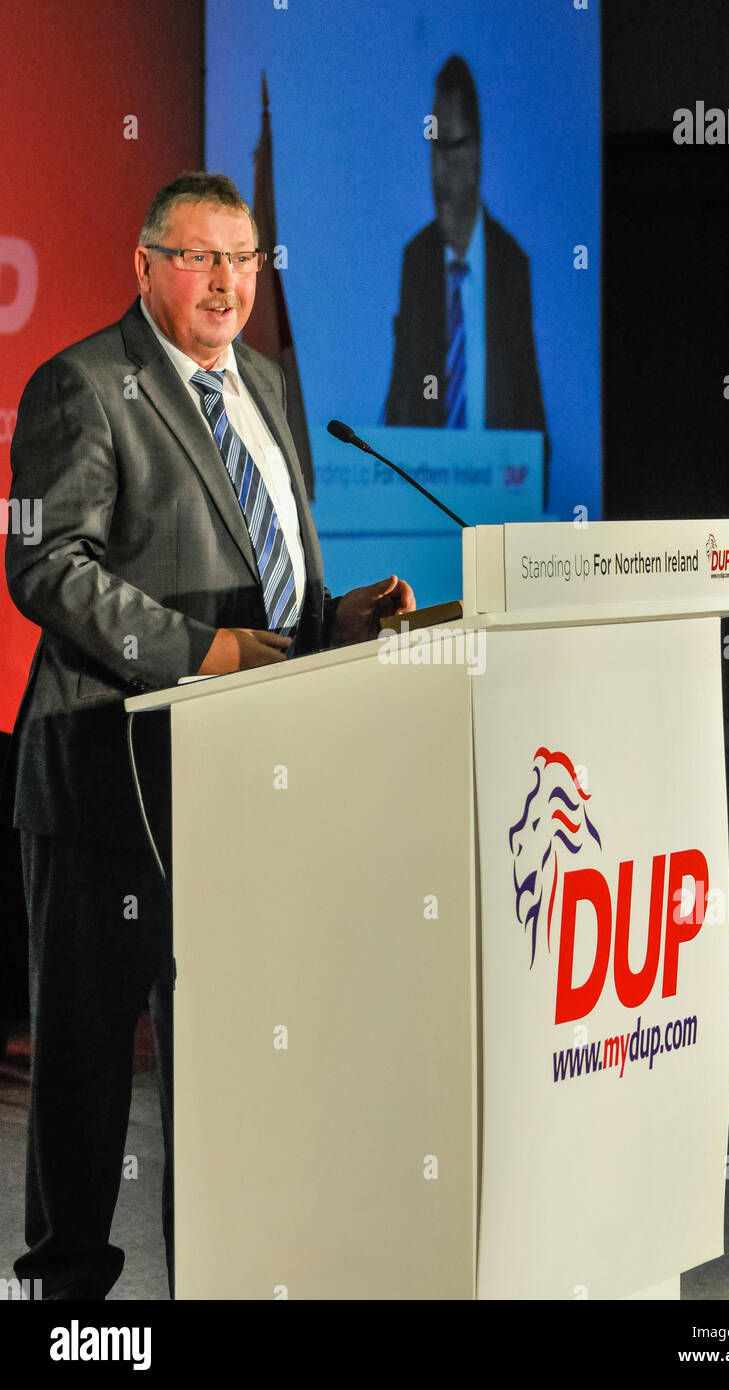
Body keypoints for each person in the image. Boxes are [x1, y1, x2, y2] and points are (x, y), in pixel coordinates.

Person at [2, 171, 414, 1300]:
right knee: (88, 1063)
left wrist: (327, 620)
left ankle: (224, 1278)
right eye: (199, 257)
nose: (227, 279)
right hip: (109, 776)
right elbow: (44, 565)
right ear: (144, 267)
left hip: (247, 783)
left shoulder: (271, 385)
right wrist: (202, 655)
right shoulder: (80, 385)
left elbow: (258, 571)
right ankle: (68, 1303)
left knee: (232, 1057)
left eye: (243, 257)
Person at [384, 55, 548, 494]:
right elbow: (401, 403)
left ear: (475, 153)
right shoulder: (417, 260)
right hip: (427, 497)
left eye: (451, 148)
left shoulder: (511, 265)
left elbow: (529, 411)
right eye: (433, 148)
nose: (438, 170)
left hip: (498, 499)